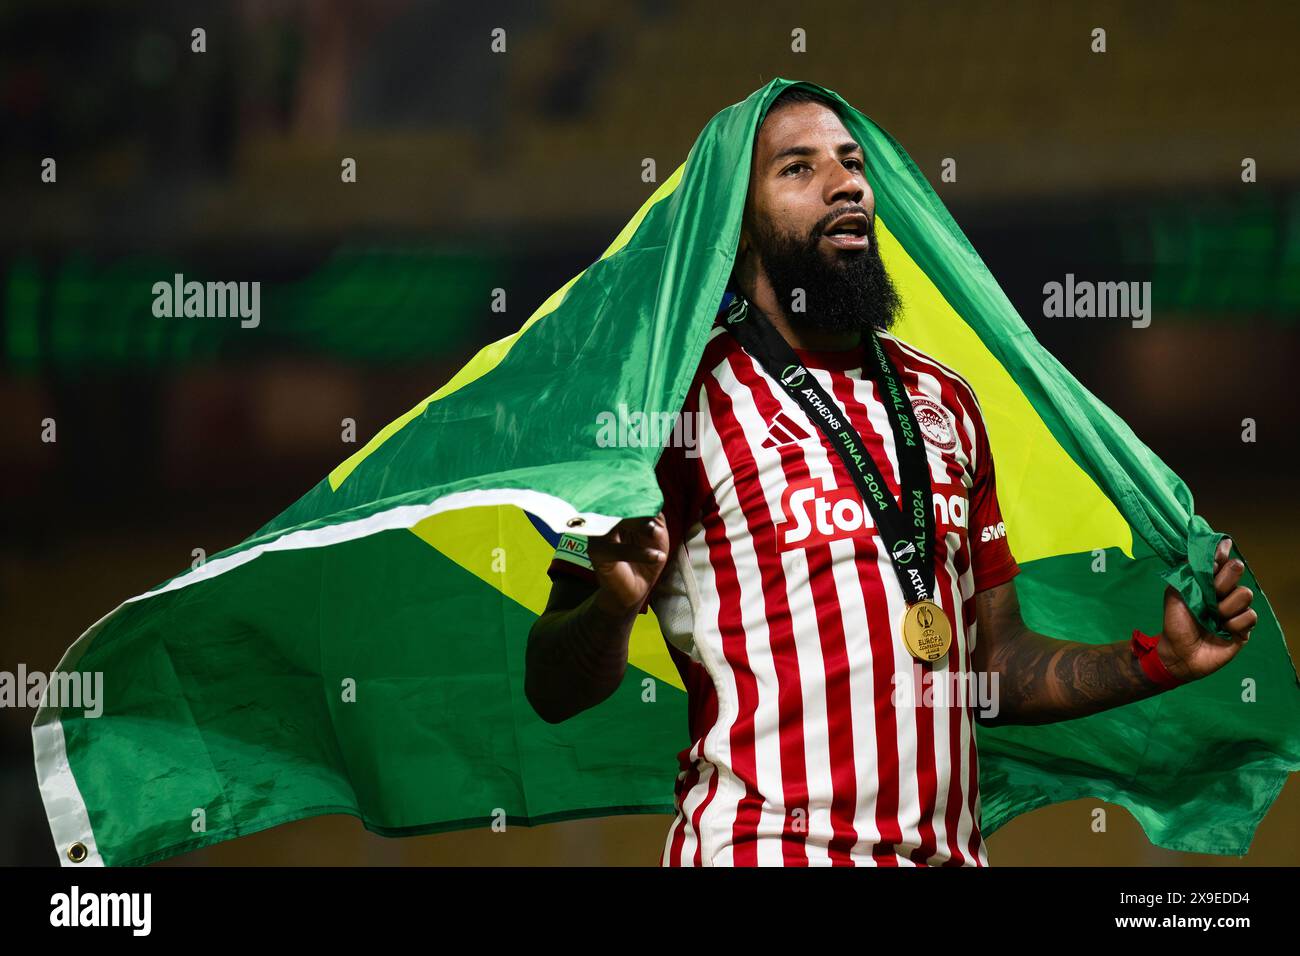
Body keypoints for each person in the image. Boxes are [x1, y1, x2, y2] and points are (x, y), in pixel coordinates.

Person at [523, 86, 1257, 866]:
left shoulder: (944, 402)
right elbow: (552, 683)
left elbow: (991, 667)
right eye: (798, 168)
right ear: (733, 227)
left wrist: (1158, 661)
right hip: (761, 850)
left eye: (853, 163)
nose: (845, 184)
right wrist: (610, 606)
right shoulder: (667, 409)